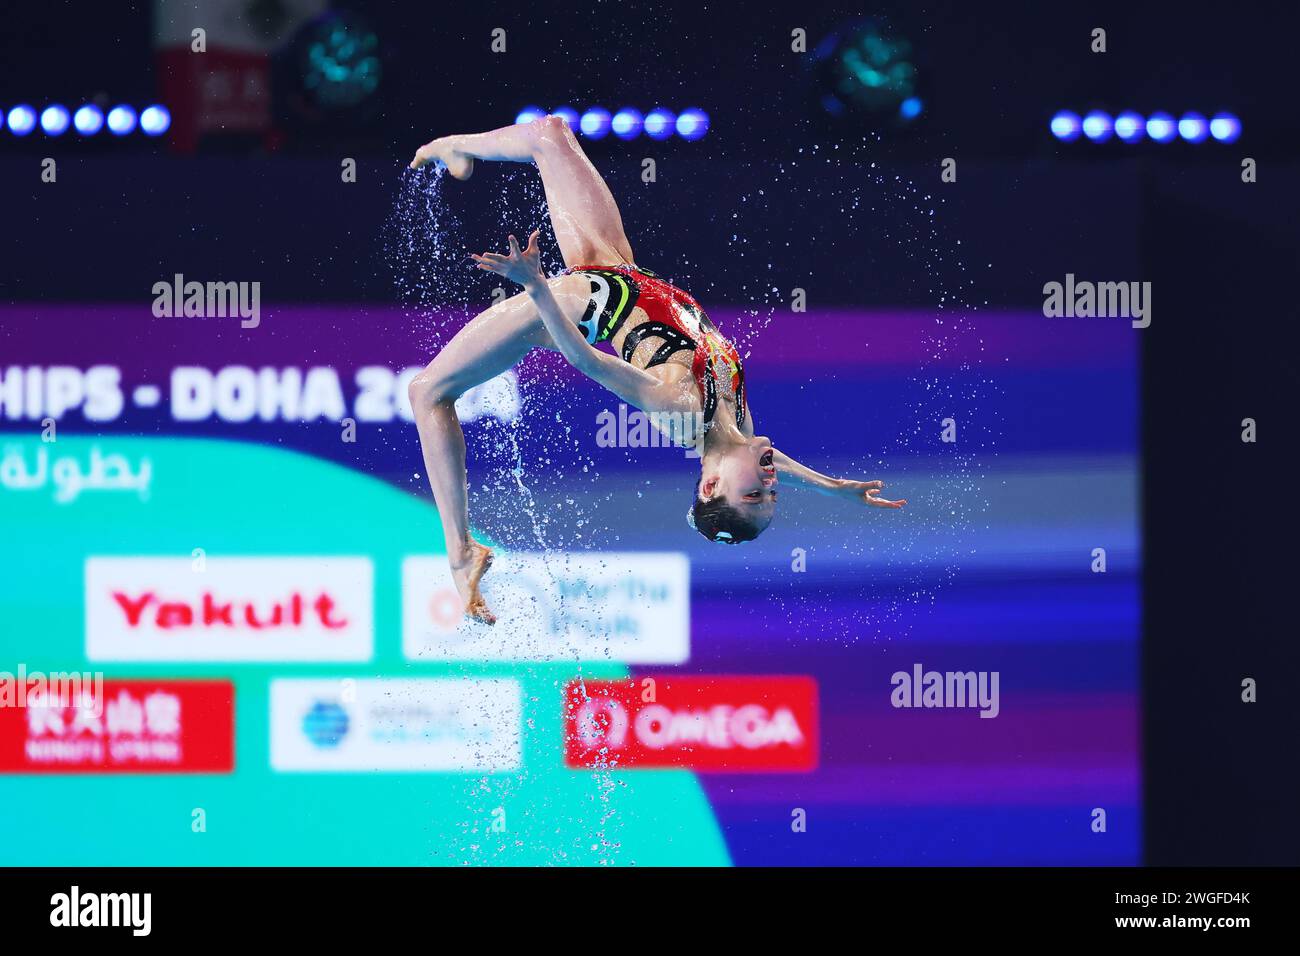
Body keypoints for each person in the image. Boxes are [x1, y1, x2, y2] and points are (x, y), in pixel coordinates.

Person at [408, 115, 905, 623]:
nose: (771, 481)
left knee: (427, 392)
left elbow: (589, 361)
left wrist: (534, 286)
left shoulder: (683, 412)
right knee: (550, 134)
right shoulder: (739, 431)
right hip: (618, 272)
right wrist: (833, 488)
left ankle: (461, 551)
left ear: (710, 487)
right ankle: (450, 144)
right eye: (772, 494)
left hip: (574, 301)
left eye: (755, 492)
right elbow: (769, 460)